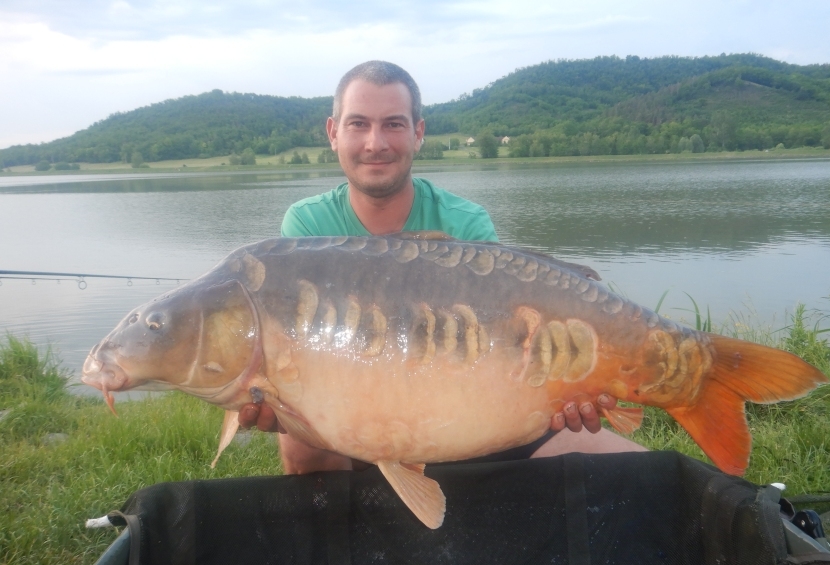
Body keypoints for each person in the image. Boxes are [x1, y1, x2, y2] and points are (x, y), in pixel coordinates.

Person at [239, 60, 645, 474]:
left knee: (626, 467)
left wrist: (566, 388)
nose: (375, 142)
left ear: (418, 133)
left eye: (394, 124)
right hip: (353, 418)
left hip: (470, 410)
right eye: (358, 124)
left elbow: (510, 338)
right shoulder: (306, 230)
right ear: (333, 133)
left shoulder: (466, 224)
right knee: (300, 444)